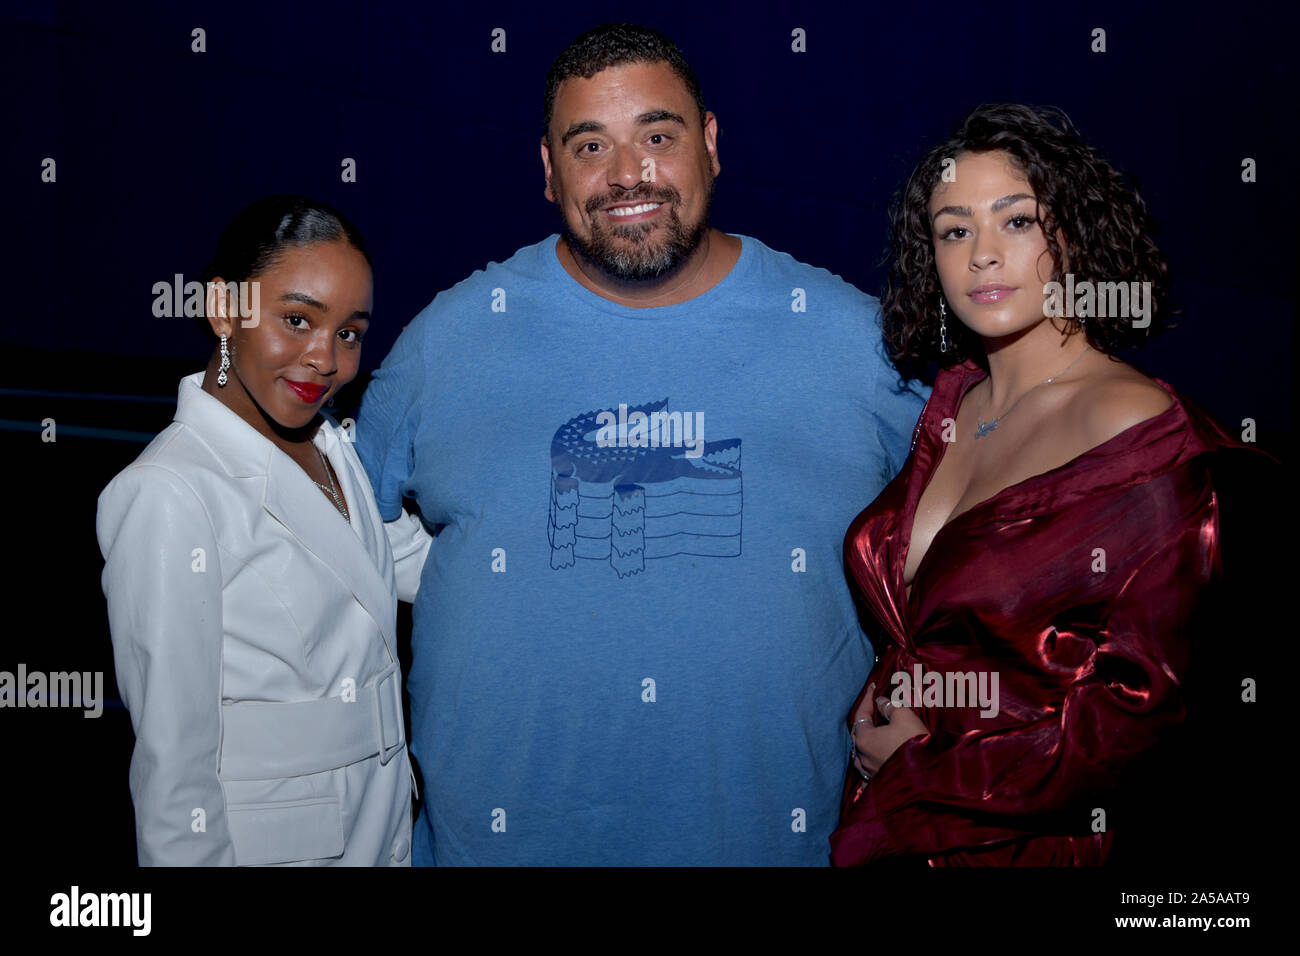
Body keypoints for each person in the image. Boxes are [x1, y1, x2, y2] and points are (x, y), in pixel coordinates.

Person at [354, 22, 928, 865]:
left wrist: (938, 696)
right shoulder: (450, 341)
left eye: (657, 136)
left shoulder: (853, 341)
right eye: (590, 145)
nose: (628, 174)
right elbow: (333, 541)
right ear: (549, 173)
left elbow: (998, 529)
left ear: (711, 144)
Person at [831, 103, 1269, 866]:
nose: (982, 256)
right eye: (954, 230)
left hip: (1017, 842)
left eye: (1017, 222)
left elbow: (1143, 714)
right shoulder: (953, 403)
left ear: (1072, 237)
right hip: (890, 823)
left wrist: (926, 772)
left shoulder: (1133, 424)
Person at [97, 196, 432, 866]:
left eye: (349, 333)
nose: (324, 359)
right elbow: (173, 767)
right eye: (297, 319)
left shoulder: (343, 453)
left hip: (385, 830)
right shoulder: (168, 492)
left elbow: (434, 573)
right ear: (224, 308)